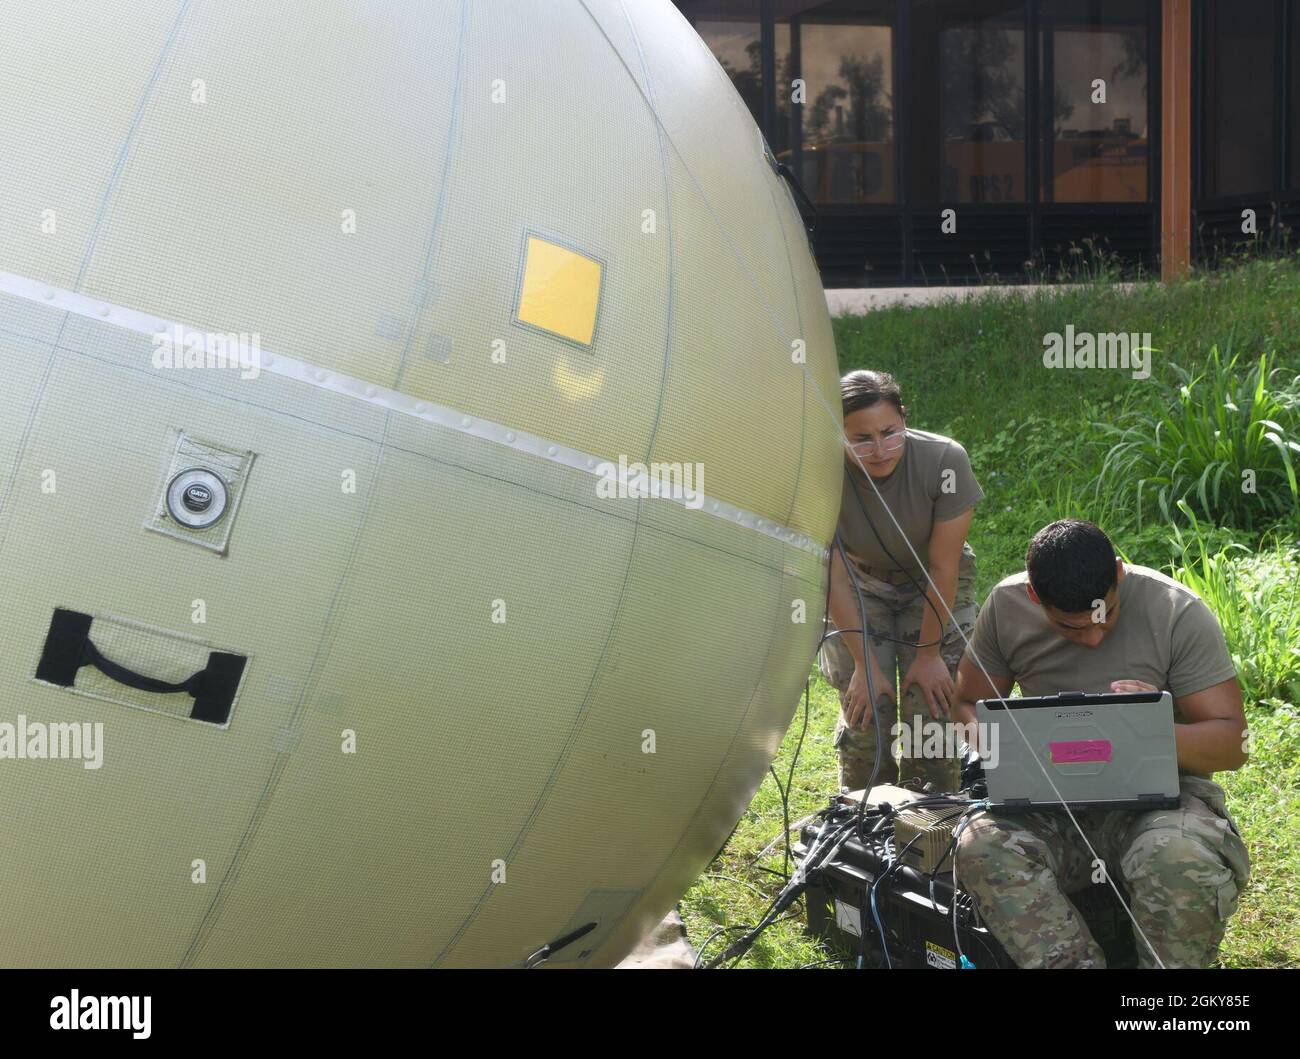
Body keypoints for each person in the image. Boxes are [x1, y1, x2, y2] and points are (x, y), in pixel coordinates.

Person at [951, 519, 1251, 968]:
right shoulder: (1009, 606)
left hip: (1161, 801)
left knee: (1177, 855)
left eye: (1105, 615)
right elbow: (968, 703)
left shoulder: (1175, 611)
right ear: (1036, 597)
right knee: (982, 845)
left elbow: (1233, 743)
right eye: (1070, 628)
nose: (1093, 637)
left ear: (1118, 571)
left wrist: (1146, 728)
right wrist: (1005, 747)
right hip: (1054, 800)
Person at [819, 370, 983, 792]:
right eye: (861, 439)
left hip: (931, 580)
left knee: (930, 708)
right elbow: (834, 576)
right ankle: (862, 819)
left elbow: (944, 567)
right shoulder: (821, 474)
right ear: (837, 434)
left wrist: (927, 656)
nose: (879, 450)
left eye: (890, 432)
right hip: (859, 582)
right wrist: (863, 664)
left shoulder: (945, 460)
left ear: (904, 419)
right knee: (866, 707)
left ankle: (931, 819)